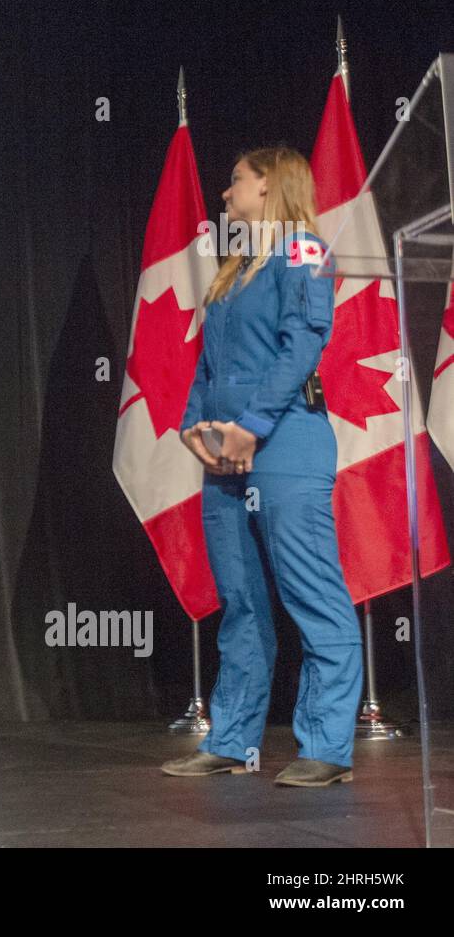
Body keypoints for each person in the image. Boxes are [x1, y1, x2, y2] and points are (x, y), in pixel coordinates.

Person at [160, 146, 363, 788]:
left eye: (235, 181)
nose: (225, 194)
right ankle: (231, 739)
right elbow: (210, 363)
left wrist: (250, 427)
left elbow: (302, 343)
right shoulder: (235, 268)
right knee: (241, 601)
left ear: (269, 184)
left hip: (285, 445)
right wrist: (198, 427)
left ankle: (326, 748)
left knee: (312, 595)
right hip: (224, 454)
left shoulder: (303, 251)